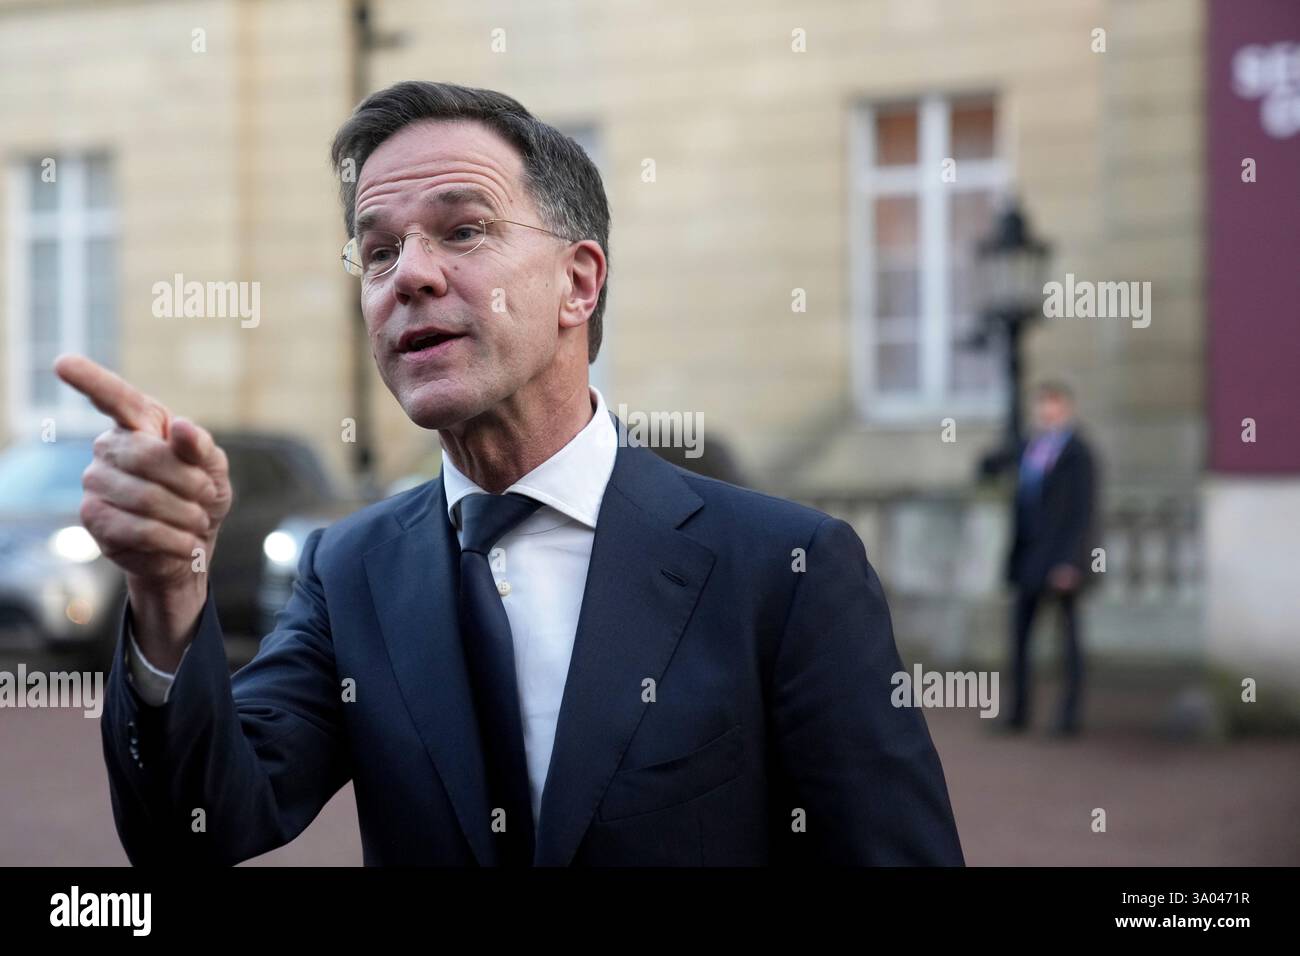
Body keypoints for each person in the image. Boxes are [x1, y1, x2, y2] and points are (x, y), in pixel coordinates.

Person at [55, 80, 963, 866]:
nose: (409, 275)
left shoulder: (787, 571)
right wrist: (170, 591)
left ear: (579, 282)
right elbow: (201, 829)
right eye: (377, 250)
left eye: (464, 229)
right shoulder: (352, 571)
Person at [1004, 381, 1099, 737]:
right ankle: (1019, 712)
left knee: (1068, 642)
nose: (1047, 413)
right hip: (1029, 557)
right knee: (1018, 638)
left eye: (1054, 406)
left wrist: (1070, 562)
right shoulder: (1031, 448)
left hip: (1060, 560)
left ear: (1067, 409)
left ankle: (1069, 716)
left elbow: (1082, 513)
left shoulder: (1079, 452)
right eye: (1043, 406)